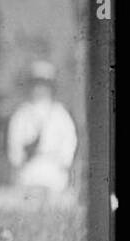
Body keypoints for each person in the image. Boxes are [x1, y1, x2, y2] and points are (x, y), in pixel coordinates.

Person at [6, 60, 77, 202]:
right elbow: (14, 142)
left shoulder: (60, 113)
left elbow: (70, 140)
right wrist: (17, 162)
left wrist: (64, 162)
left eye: (44, 84)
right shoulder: (22, 113)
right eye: (36, 83)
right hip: (30, 168)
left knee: (54, 201)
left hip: (53, 167)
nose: (40, 88)